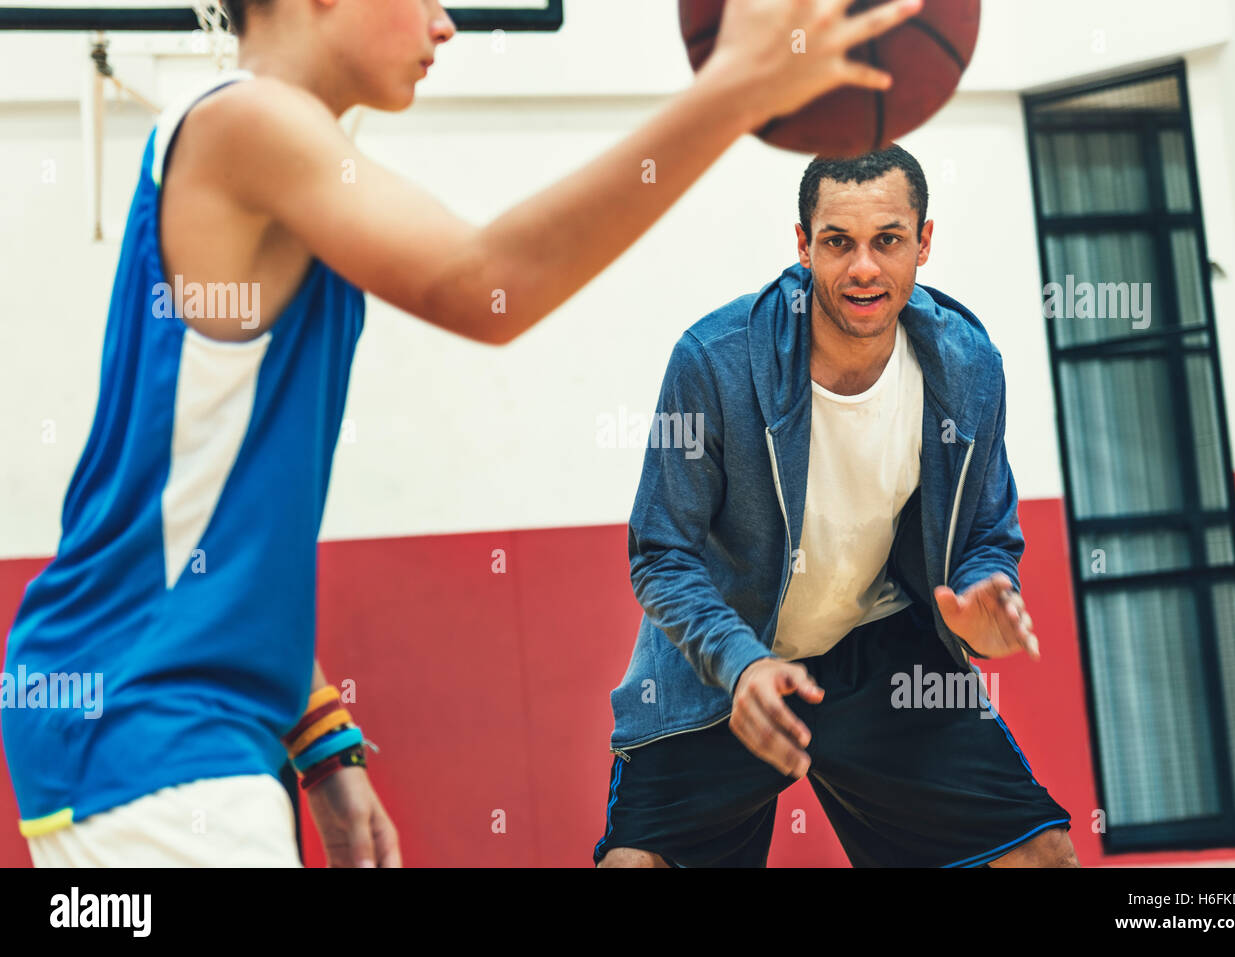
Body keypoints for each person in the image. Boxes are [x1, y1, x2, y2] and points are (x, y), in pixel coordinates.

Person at [2, 0, 925, 866]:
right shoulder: (248, 122)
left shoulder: (256, 146)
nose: (446, 20)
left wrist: (319, 733)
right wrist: (735, 89)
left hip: (160, 706)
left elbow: (220, 516)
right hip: (137, 713)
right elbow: (489, 284)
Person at [595, 145, 1078, 868]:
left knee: (1040, 855)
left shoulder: (969, 365)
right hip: (728, 662)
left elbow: (985, 533)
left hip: (877, 646)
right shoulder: (714, 359)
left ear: (923, 241)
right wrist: (742, 662)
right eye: (837, 242)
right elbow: (662, 553)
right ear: (802, 245)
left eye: (887, 240)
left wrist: (987, 592)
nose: (862, 268)